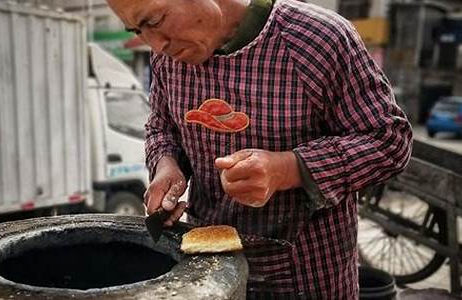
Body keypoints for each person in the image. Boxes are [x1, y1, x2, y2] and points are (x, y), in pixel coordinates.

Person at [106, 0, 413, 298]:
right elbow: (162, 126)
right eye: (137, 31)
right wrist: (167, 164)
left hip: (307, 278)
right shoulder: (167, 58)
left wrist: (287, 169)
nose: (155, 44)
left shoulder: (317, 39)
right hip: (208, 272)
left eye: (155, 21)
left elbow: (389, 140)